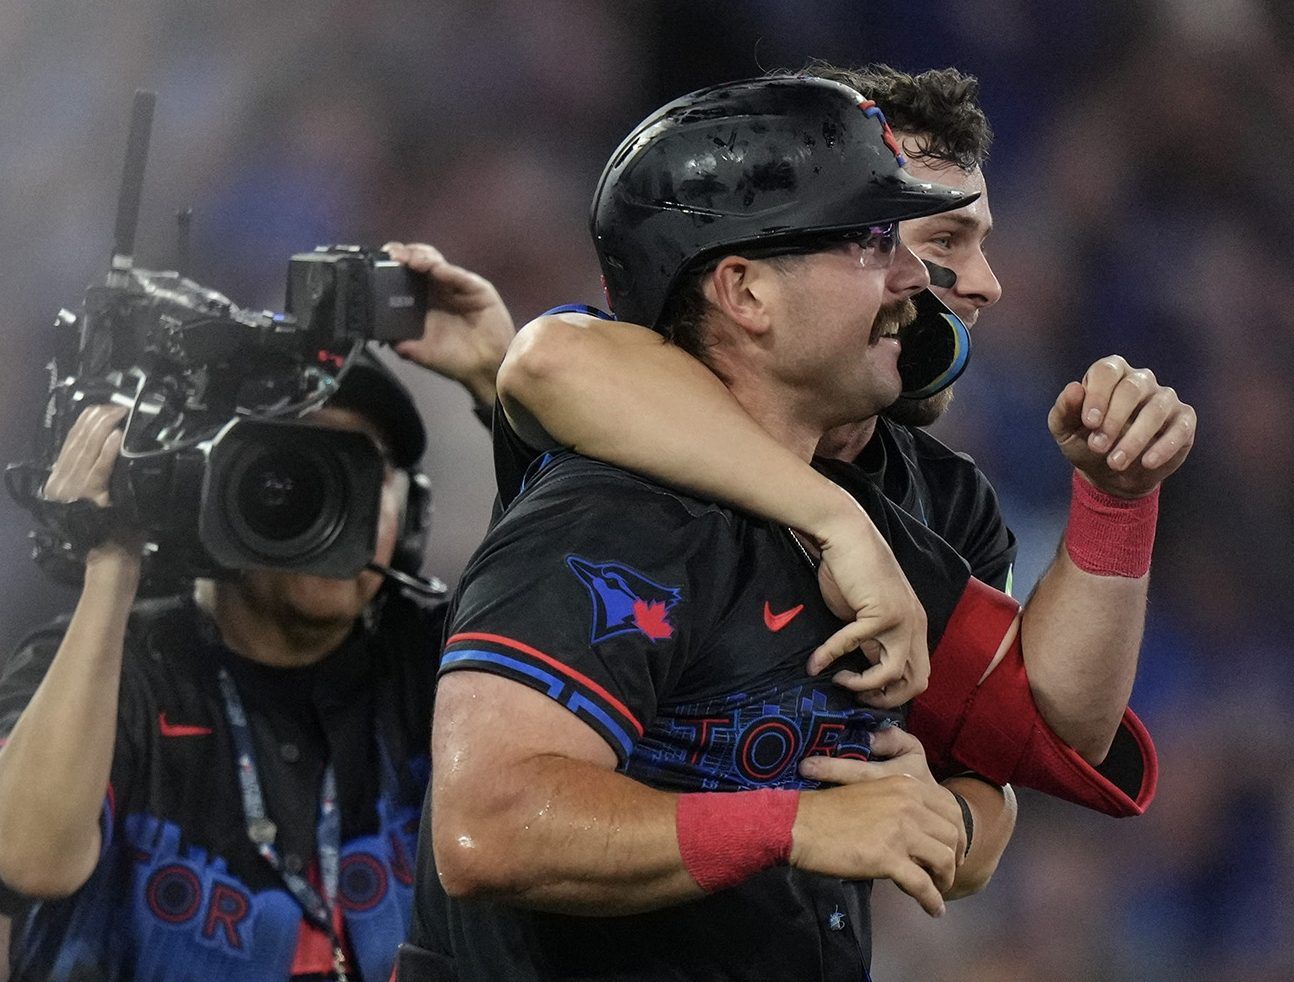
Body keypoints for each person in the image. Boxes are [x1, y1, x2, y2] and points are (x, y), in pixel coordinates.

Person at [400, 74, 1035, 982]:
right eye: (867, 241)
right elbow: (488, 825)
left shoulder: (900, 504)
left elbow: (1037, 749)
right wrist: (796, 823)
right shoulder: (610, 517)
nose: (911, 278)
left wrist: (1118, 503)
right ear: (745, 292)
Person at [497, 62, 1195, 766]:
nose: (982, 285)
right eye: (936, 239)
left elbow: (1037, 734)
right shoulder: (620, 453)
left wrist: (1117, 499)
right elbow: (548, 358)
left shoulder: (943, 501)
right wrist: (835, 524)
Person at [0, 260, 514, 982]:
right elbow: (27, 858)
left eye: (361, 475)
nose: (330, 510)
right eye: (288, 473)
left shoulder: (446, 661)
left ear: (413, 513)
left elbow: (628, 620)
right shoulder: (111, 668)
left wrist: (502, 384)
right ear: (218, 491)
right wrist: (113, 561)